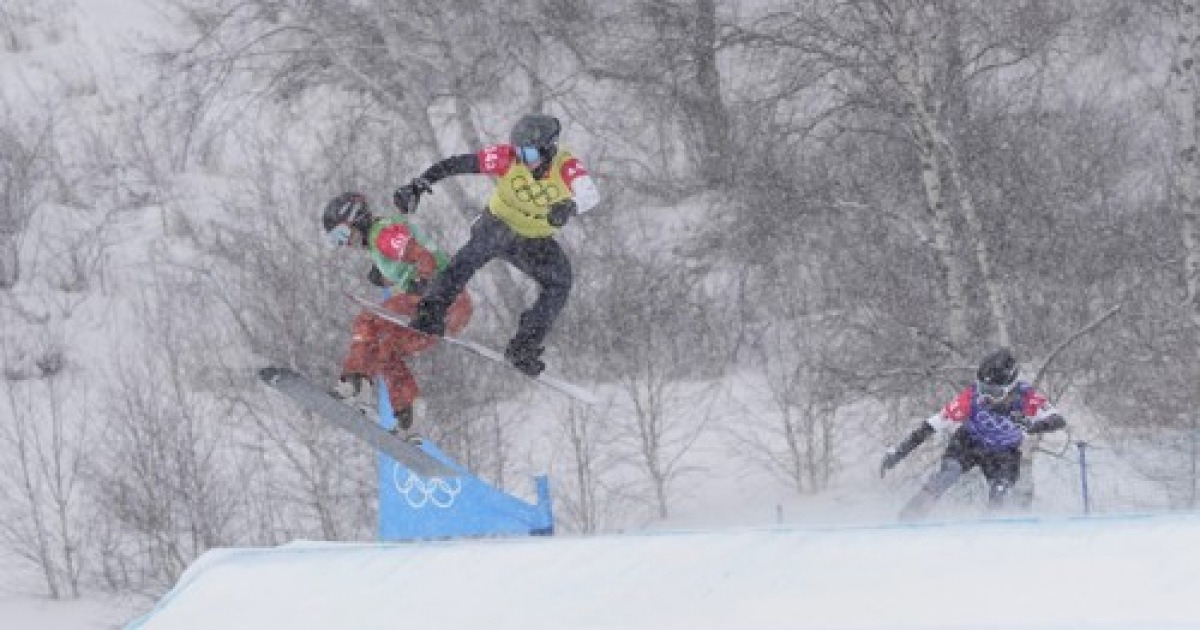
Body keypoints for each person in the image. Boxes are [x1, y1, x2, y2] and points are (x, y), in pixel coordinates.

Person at [390, 113, 601, 377]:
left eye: (530, 154)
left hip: (533, 241)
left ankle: (524, 345)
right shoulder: (508, 158)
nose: (523, 159)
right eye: (519, 152)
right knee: (472, 255)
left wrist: (570, 206)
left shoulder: (566, 167)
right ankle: (431, 310)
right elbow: (458, 164)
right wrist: (419, 184)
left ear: (549, 150)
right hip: (498, 224)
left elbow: (590, 194)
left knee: (560, 281)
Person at [320, 191, 473, 439]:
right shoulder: (379, 243)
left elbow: (424, 256)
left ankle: (356, 383)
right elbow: (407, 258)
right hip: (450, 311)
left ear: (356, 219)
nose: (344, 244)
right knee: (386, 349)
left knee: (368, 320)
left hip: (442, 299)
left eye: (341, 235)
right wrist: (383, 276)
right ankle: (408, 413)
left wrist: (423, 289)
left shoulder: (382, 233)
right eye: (337, 241)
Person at [879, 347, 1067, 520]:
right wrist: (898, 453)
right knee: (948, 474)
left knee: (1000, 489)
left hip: (1004, 452)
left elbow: (1059, 420)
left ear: (1011, 388)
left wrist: (1031, 426)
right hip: (969, 442)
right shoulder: (971, 397)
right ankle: (909, 517)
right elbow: (931, 425)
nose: (985, 397)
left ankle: (992, 526)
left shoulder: (1027, 397)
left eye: (994, 392)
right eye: (983, 389)